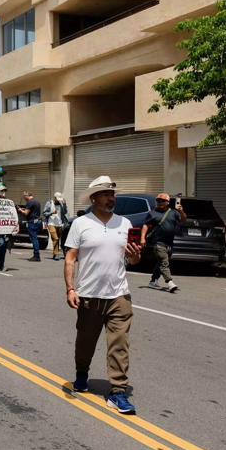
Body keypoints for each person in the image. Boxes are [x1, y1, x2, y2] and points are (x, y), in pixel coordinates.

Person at [64, 176, 141, 414]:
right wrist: (70, 288)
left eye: (113, 194)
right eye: (106, 194)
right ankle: (81, 374)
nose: (111, 198)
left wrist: (135, 255)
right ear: (94, 198)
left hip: (119, 295)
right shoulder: (80, 223)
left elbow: (133, 260)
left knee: (119, 344)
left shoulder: (125, 223)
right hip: (88, 294)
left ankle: (117, 391)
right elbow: (70, 258)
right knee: (85, 343)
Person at [141, 193, 186, 292]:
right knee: (164, 262)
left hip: (169, 243)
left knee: (161, 263)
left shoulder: (174, 212)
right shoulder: (152, 213)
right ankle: (170, 282)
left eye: (162, 201)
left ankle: (153, 282)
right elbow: (145, 225)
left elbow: (183, 219)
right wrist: (142, 238)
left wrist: (181, 212)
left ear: (168, 202)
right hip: (158, 242)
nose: (160, 202)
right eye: (158, 201)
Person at [0, 186, 18, 271]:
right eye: (2, 191)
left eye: (4, 191)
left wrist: (17, 225)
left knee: (4, 247)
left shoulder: (9, 202)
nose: (3, 192)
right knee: (0, 244)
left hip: (7, 228)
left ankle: (1, 265)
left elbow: (13, 215)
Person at [44, 192, 68, 261]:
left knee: (57, 239)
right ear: (54, 198)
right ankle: (56, 254)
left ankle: (55, 253)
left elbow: (65, 212)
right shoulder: (49, 203)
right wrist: (51, 213)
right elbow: (44, 213)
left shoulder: (61, 203)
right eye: (57, 199)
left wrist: (64, 204)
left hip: (59, 223)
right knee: (55, 238)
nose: (58, 200)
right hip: (51, 223)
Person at [19, 191, 42, 262]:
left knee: (34, 239)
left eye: (24, 196)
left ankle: (36, 255)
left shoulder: (29, 202)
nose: (24, 198)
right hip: (37, 221)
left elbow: (26, 213)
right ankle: (36, 254)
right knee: (35, 238)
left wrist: (20, 210)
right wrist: (24, 209)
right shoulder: (37, 201)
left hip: (32, 222)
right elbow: (32, 211)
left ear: (27, 195)